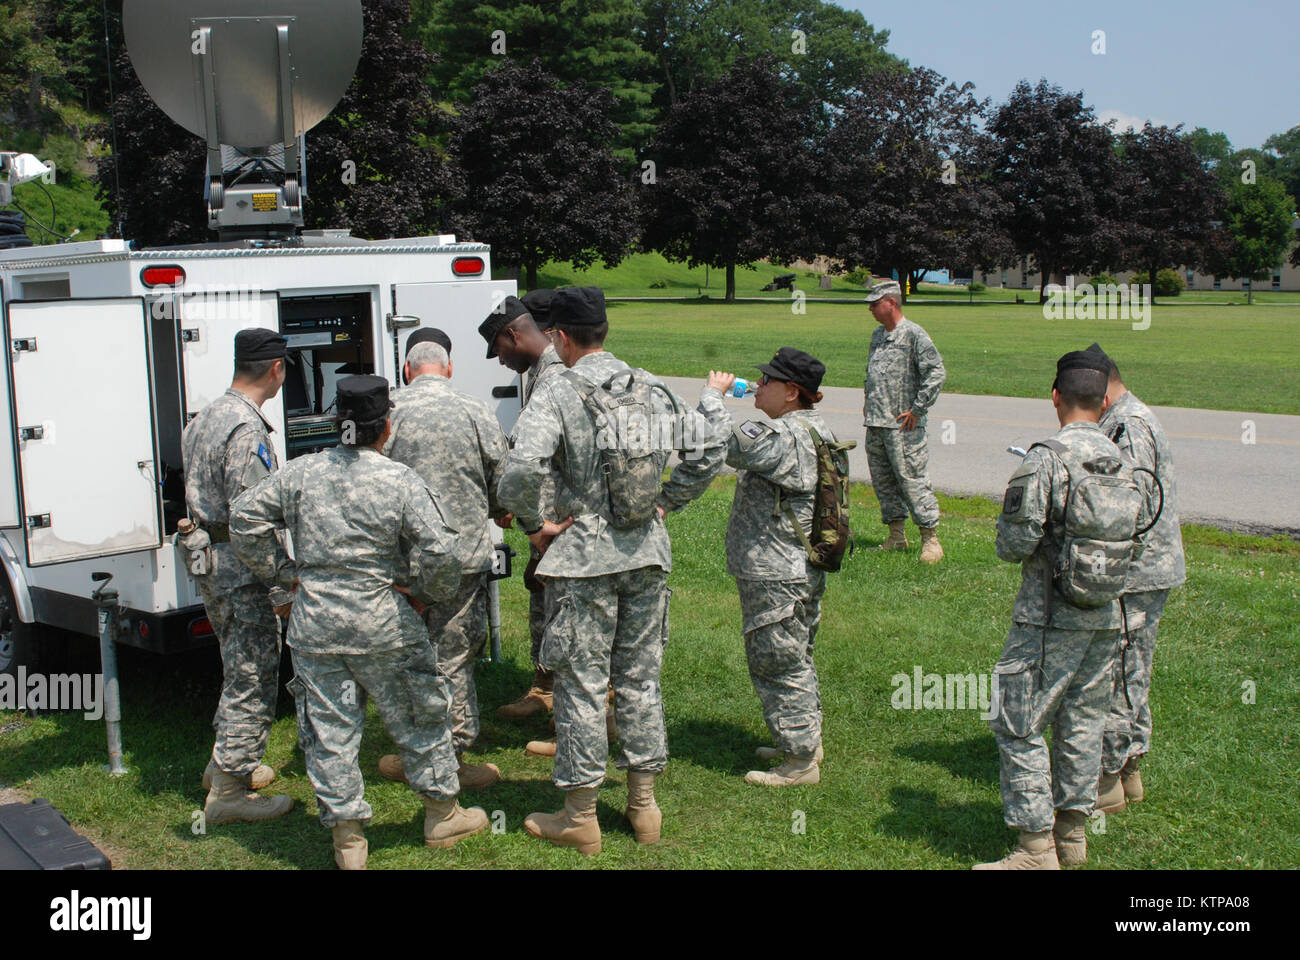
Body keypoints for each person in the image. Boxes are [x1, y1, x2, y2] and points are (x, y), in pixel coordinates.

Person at [498, 286, 725, 854]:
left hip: (583, 558)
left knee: (581, 683)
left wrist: (533, 525)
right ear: (603, 332)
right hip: (646, 554)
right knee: (640, 680)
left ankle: (580, 816)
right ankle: (644, 807)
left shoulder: (557, 391)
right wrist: (669, 501)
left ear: (561, 337)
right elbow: (710, 447)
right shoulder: (650, 387)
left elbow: (520, 468)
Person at [230, 375, 488, 869]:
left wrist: (286, 574)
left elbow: (243, 518)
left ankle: (348, 840)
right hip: (384, 625)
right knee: (419, 716)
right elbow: (442, 549)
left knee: (330, 731)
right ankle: (441, 813)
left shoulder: (301, 474)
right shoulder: (399, 480)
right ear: (385, 428)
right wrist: (422, 595)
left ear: (335, 424)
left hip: (316, 628)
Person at [975, 350, 1147, 870]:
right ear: (1102, 401)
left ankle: (1033, 849)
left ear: (1056, 397)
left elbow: (1013, 543)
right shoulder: (1124, 460)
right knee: (1082, 722)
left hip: (1047, 617)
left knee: (1018, 722)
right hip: (1105, 615)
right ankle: (1072, 839)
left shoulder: (1046, 456)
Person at [697, 348, 837, 787]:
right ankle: (802, 740)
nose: (758, 386)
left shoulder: (786, 436)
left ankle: (798, 763)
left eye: (767, 381)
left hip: (777, 572)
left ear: (792, 392)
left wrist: (713, 397)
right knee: (798, 655)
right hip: (798, 566)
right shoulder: (813, 428)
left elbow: (726, 444)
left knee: (778, 663)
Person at [375, 337, 510, 791]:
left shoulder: (388, 410)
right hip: (461, 556)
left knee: (407, 653)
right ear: (448, 368)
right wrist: (501, 511)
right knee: (453, 653)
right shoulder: (475, 410)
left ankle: (415, 749)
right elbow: (502, 478)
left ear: (408, 370)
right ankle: (449, 756)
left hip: (403, 559)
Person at [180, 327, 294, 825]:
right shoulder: (246, 429)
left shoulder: (206, 415)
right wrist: (280, 578)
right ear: (276, 369)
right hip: (240, 566)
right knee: (253, 673)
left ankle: (224, 763)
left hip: (211, 561)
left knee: (235, 663)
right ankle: (228, 792)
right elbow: (252, 517)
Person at [1091, 343, 1185, 813]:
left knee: (1120, 674)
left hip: (1136, 574)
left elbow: (1137, 506)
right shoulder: (1123, 418)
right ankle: (1128, 772)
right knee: (1133, 672)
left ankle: (1107, 781)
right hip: (1139, 572)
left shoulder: (1129, 426)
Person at [480, 293, 565, 722]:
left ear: (514, 334)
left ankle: (574, 709)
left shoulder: (556, 375)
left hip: (557, 524)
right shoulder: (539, 372)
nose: (499, 361)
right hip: (543, 521)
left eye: (499, 349)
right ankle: (544, 690)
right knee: (542, 606)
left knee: (564, 614)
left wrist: (541, 525)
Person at [862, 279, 947, 562]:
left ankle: (930, 539)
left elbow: (936, 373)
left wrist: (917, 409)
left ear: (892, 302)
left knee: (912, 480)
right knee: (883, 482)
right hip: (876, 423)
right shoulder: (877, 335)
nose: (871, 309)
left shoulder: (914, 335)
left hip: (903, 427)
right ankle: (896, 536)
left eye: (875, 303)